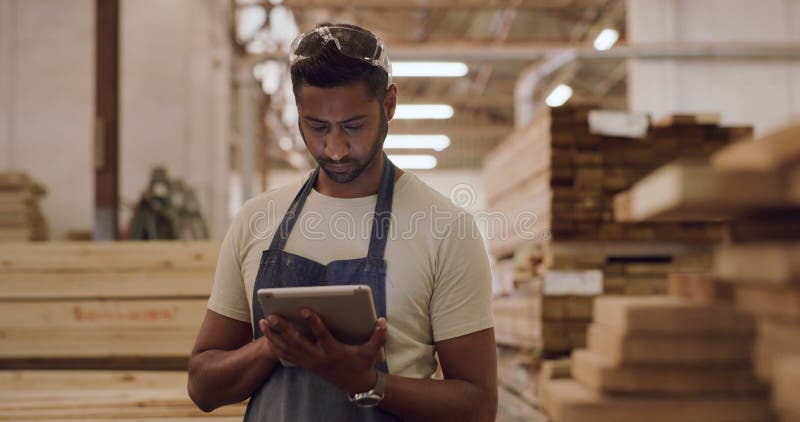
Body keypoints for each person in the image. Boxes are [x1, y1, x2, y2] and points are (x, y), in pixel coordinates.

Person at [187, 23, 497, 421]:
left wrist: (368, 383)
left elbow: (478, 406)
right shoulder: (256, 220)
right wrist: (272, 346)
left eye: (353, 126)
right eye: (316, 127)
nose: (333, 149)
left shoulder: (446, 229)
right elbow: (202, 385)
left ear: (388, 105)